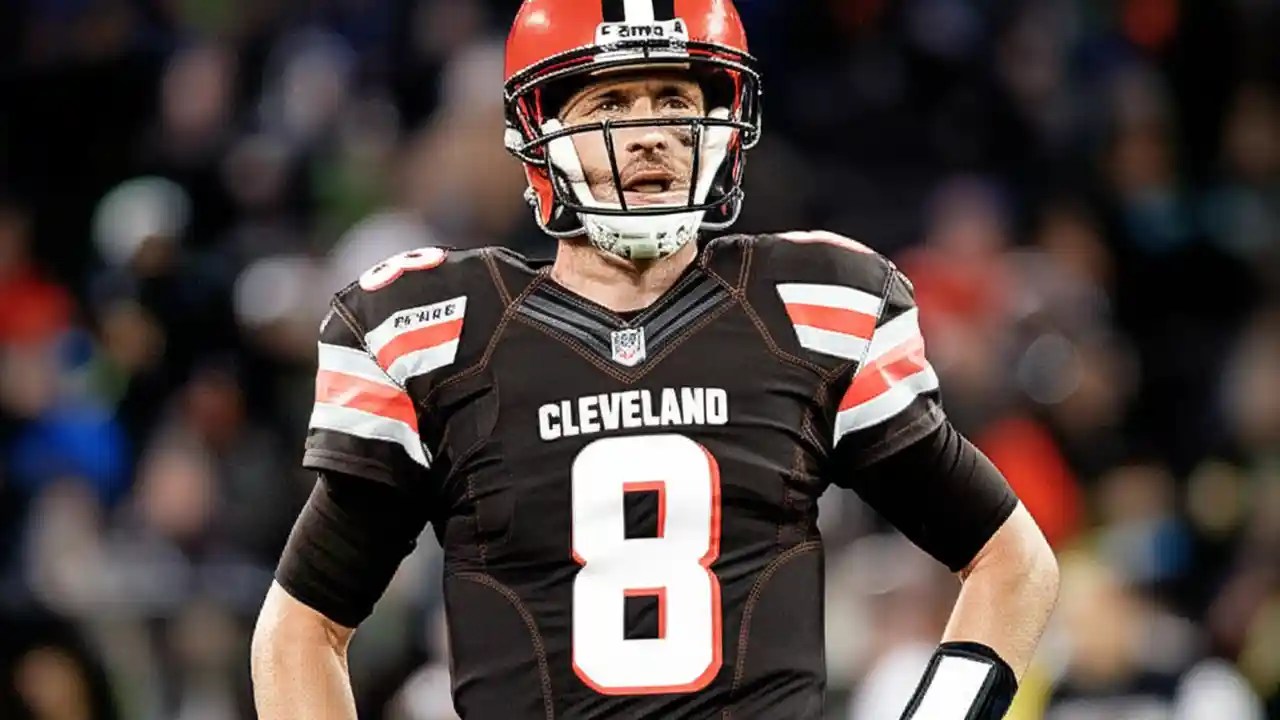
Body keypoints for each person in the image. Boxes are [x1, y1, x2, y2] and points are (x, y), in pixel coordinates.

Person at [251, 1, 1060, 718]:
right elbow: (301, 631)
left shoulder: (809, 308)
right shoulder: (441, 333)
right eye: (610, 100)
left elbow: (1010, 561)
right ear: (540, 131)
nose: (648, 132)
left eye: (674, 100)